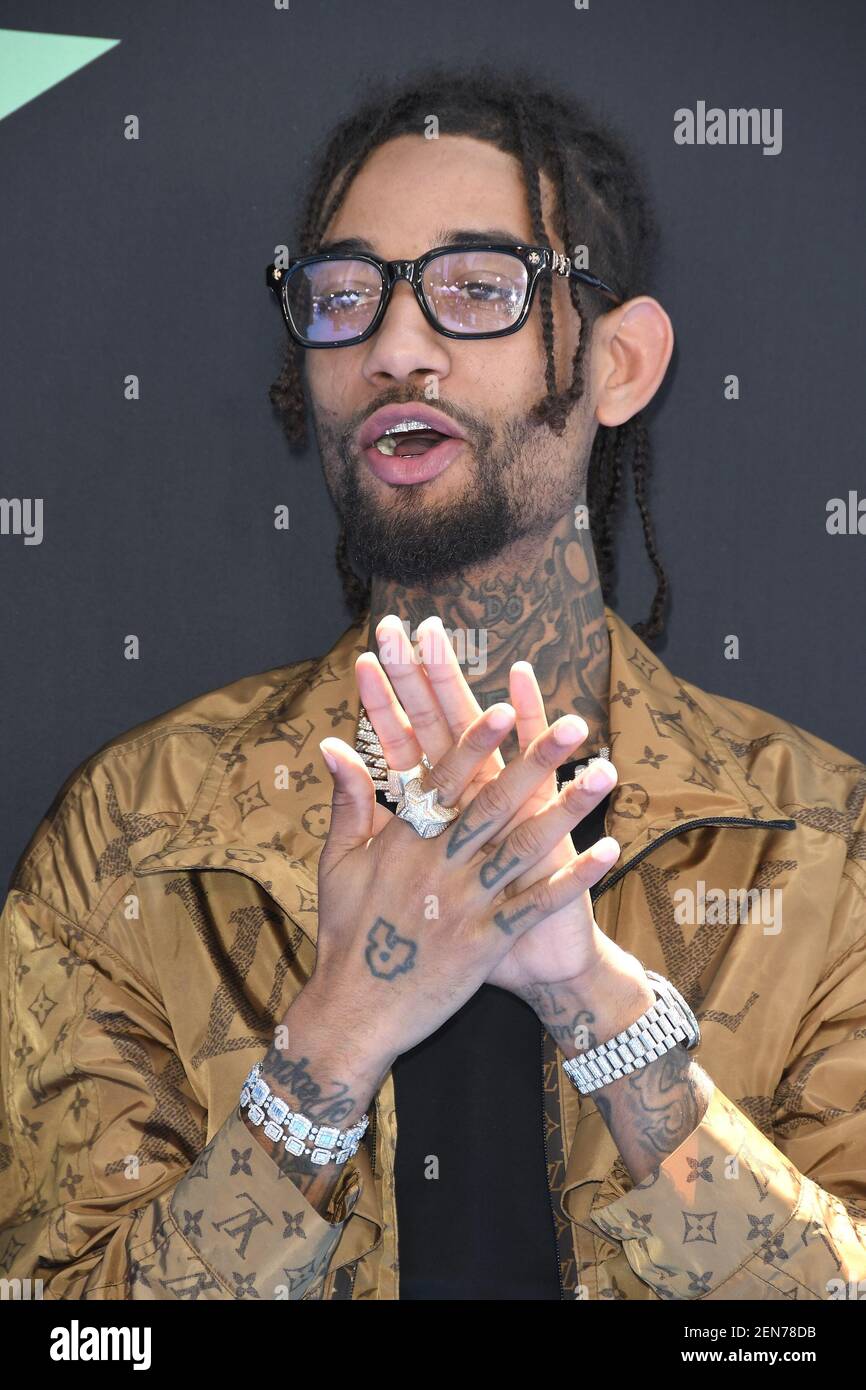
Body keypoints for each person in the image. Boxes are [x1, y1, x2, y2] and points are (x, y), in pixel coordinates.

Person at [1, 69, 864, 1303]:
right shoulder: (135, 830)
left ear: (619, 364)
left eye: (475, 289)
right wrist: (339, 1033)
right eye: (344, 297)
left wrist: (593, 1000)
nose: (393, 346)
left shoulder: (822, 849)